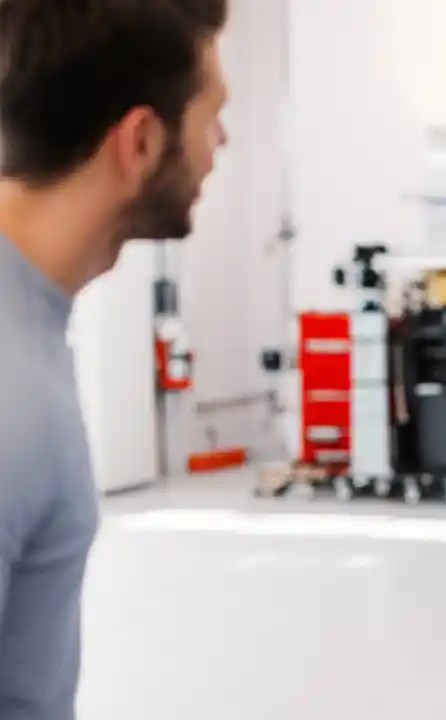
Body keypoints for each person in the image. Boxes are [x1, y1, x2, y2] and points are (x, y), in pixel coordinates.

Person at [0, 1, 228, 715]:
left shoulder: (31, 321)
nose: (222, 142)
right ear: (139, 142)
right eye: (210, 115)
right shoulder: (13, 397)